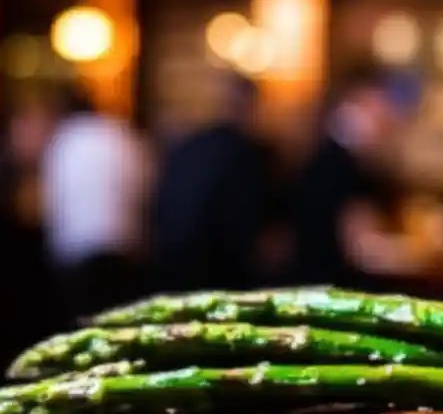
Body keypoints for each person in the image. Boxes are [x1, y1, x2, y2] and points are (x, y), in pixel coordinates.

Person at [289, 64, 409, 288]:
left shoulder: (324, 153)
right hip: (329, 288)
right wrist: (410, 254)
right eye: (379, 105)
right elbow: (363, 249)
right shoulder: (341, 166)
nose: (388, 116)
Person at [40, 83, 151, 322]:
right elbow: (144, 187)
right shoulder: (123, 134)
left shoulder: (63, 140)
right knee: (118, 324)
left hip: (76, 251)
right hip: (122, 247)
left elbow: (53, 201)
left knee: (79, 326)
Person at [150, 74, 270, 291]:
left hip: (173, 261)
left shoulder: (187, 146)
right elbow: (246, 217)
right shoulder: (244, 152)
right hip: (219, 268)